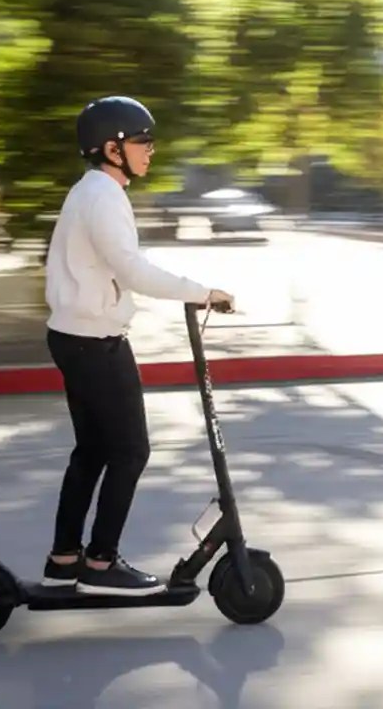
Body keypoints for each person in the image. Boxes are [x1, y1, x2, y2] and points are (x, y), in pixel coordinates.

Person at [41, 96, 236, 596]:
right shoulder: (102, 197)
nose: (151, 151)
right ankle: (100, 564)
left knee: (93, 451)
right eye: (143, 142)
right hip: (95, 342)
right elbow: (133, 271)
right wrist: (202, 292)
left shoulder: (92, 192)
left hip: (76, 336)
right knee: (130, 451)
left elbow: (122, 266)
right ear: (113, 149)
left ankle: (65, 559)